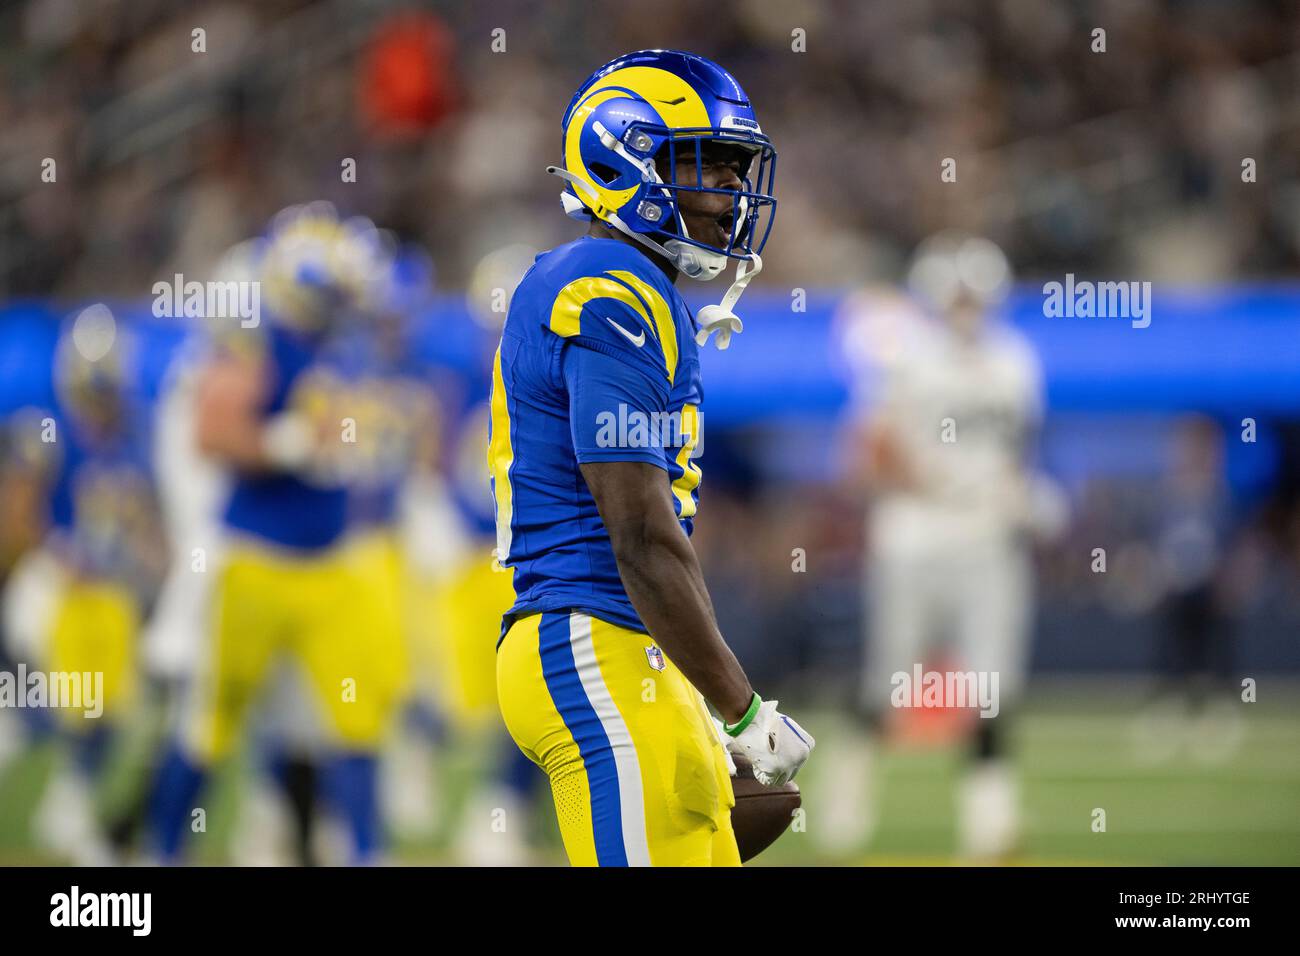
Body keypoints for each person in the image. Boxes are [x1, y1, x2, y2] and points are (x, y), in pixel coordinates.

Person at [489, 49, 813, 867]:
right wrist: (741, 708)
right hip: (590, 637)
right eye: (706, 167)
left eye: (737, 172)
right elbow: (637, 531)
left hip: (631, 645)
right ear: (624, 161)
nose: (731, 196)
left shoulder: (637, 287)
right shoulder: (608, 286)